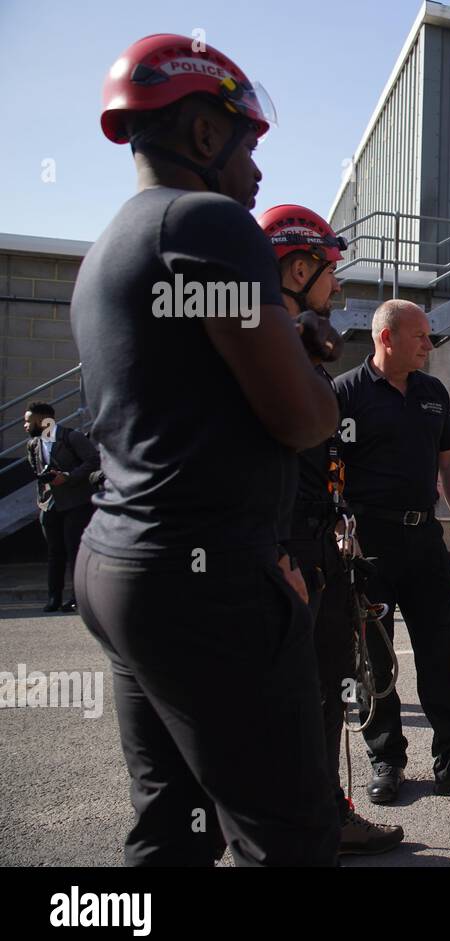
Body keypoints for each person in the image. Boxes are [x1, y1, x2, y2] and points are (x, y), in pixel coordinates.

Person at [71, 34, 340, 865]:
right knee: (287, 836)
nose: (258, 172)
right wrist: (307, 364)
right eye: (249, 144)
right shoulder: (208, 222)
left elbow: (188, 375)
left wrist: (282, 331)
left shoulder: (113, 243)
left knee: (172, 827)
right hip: (206, 578)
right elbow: (304, 419)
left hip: (120, 565)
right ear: (200, 135)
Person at [259, 203, 404, 855]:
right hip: (291, 556)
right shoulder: (266, 347)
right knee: (301, 704)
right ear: (295, 266)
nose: (337, 285)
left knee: (324, 699)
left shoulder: (288, 345)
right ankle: (306, 825)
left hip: (318, 550)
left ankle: (323, 813)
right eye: (330, 271)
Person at [334, 299, 450, 804]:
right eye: (420, 336)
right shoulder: (345, 393)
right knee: (376, 658)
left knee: (441, 655)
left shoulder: (432, 392)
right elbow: (326, 471)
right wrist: (337, 533)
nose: (429, 345)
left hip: (424, 540)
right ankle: (386, 759)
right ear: (386, 337)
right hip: (367, 546)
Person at [23, 402, 99, 612]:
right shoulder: (33, 445)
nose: (25, 425)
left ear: (42, 420)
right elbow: (35, 469)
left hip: (76, 502)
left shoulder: (71, 437)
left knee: (74, 550)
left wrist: (69, 476)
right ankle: (53, 598)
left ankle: (78, 598)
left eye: (28, 421)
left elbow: (93, 461)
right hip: (49, 504)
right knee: (55, 552)